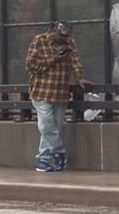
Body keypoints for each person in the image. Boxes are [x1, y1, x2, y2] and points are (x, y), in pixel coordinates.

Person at [23, 21, 88, 173]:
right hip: (41, 91)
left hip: (60, 91)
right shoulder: (39, 41)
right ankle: (59, 153)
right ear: (52, 31)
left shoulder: (69, 43)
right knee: (46, 125)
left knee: (55, 127)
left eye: (65, 36)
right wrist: (54, 59)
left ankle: (43, 159)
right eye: (60, 35)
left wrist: (80, 77)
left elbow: (75, 61)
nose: (62, 38)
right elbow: (31, 66)